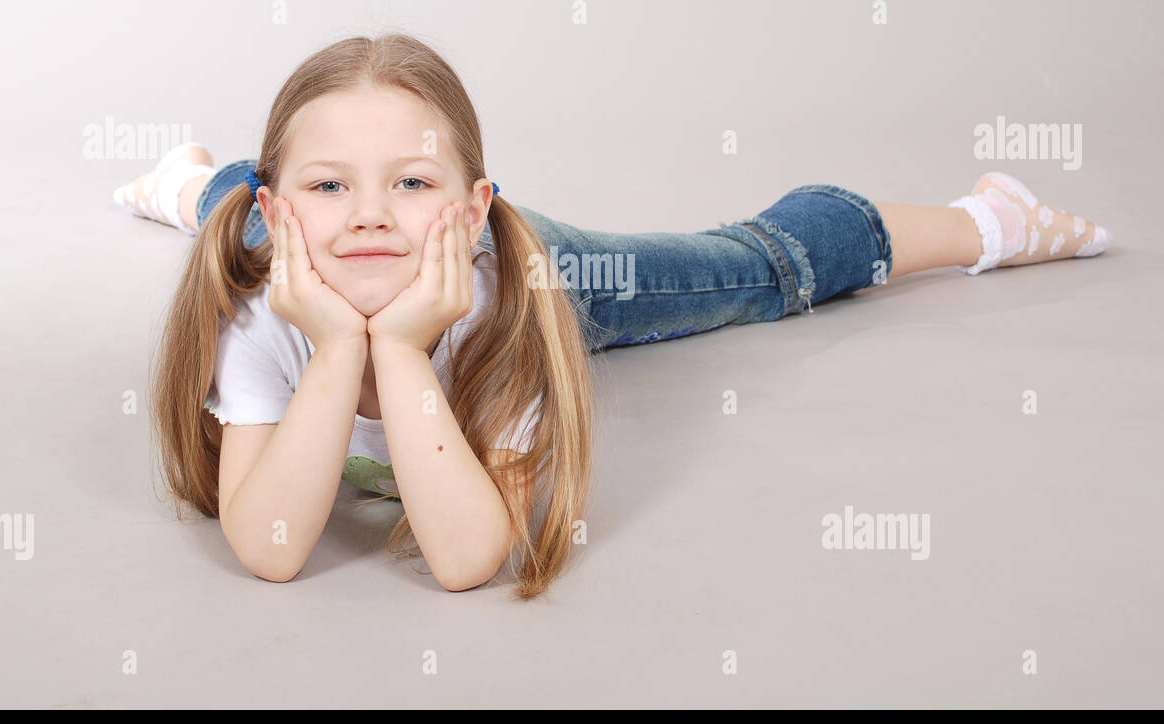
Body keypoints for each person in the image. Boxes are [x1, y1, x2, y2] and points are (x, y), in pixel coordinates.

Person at [113, 34, 1112, 600]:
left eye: (412, 180)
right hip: (286, 245)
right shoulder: (266, 303)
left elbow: (468, 558)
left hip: (521, 263)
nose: (373, 212)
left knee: (743, 272)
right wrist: (339, 345)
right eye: (330, 187)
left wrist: (409, 354)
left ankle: (987, 218)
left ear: (469, 208)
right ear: (288, 212)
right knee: (239, 230)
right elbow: (273, 542)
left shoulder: (510, 300)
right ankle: (202, 185)